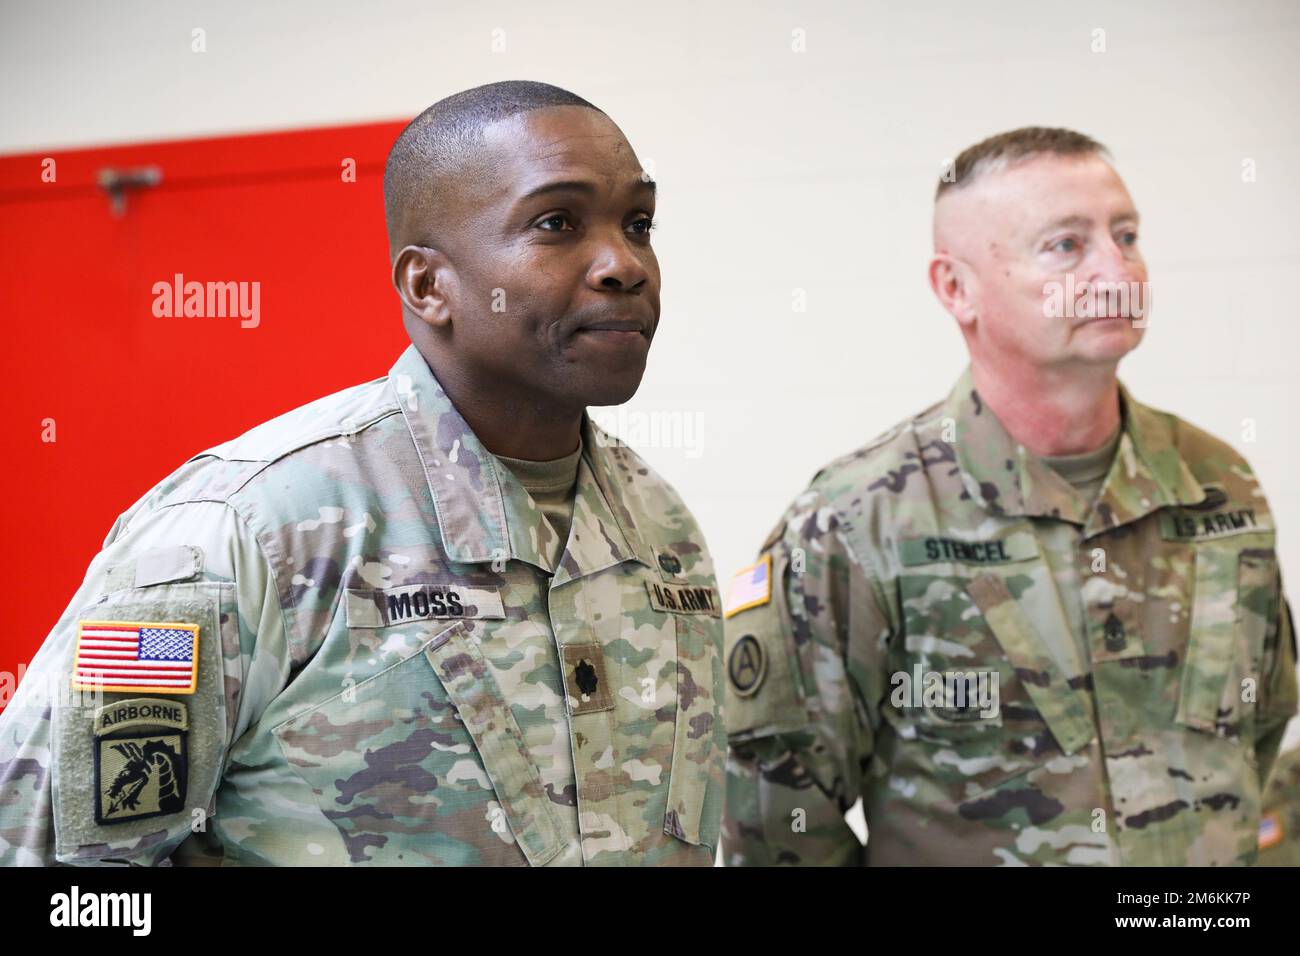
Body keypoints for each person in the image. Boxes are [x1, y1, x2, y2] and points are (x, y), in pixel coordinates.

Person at [0, 80, 725, 866]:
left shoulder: (658, 525)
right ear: (428, 285)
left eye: (640, 224)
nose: (625, 264)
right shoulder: (248, 531)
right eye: (557, 222)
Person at [720, 127, 1297, 866]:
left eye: (1126, 236)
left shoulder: (1219, 486)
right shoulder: (858, 522)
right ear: (956, 288)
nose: (1116, 269)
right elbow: (777, 829)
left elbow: (1260, 729)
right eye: (1066, 245)